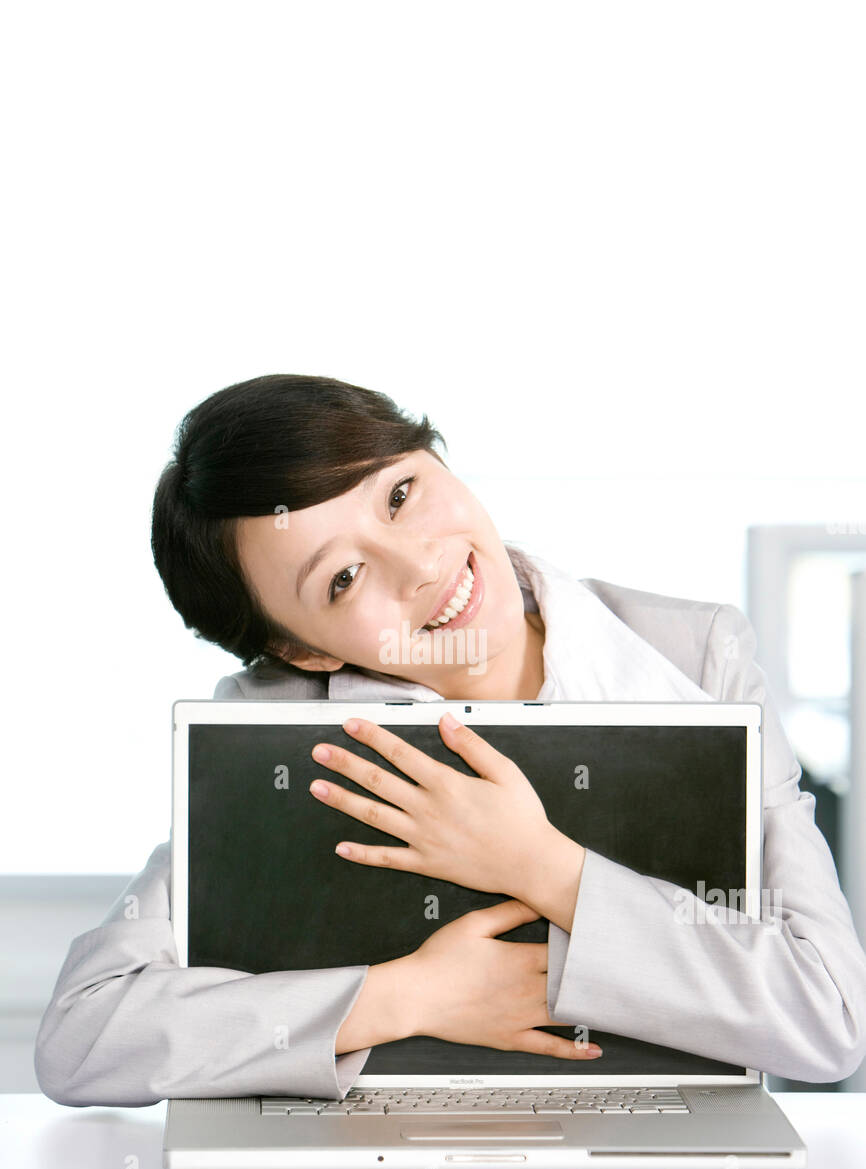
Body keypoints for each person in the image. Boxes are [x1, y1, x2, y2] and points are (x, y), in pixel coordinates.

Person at [34, 374, 866, 1106]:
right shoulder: (279, 730)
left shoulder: (698, 656)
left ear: (434, 453)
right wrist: (404, 998)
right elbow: (84, 1036)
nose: (421, 566)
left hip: (651, 1167)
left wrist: (541, 867)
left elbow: (828, 1019)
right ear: (306, 650)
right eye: (344, 578)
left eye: (398, 495)